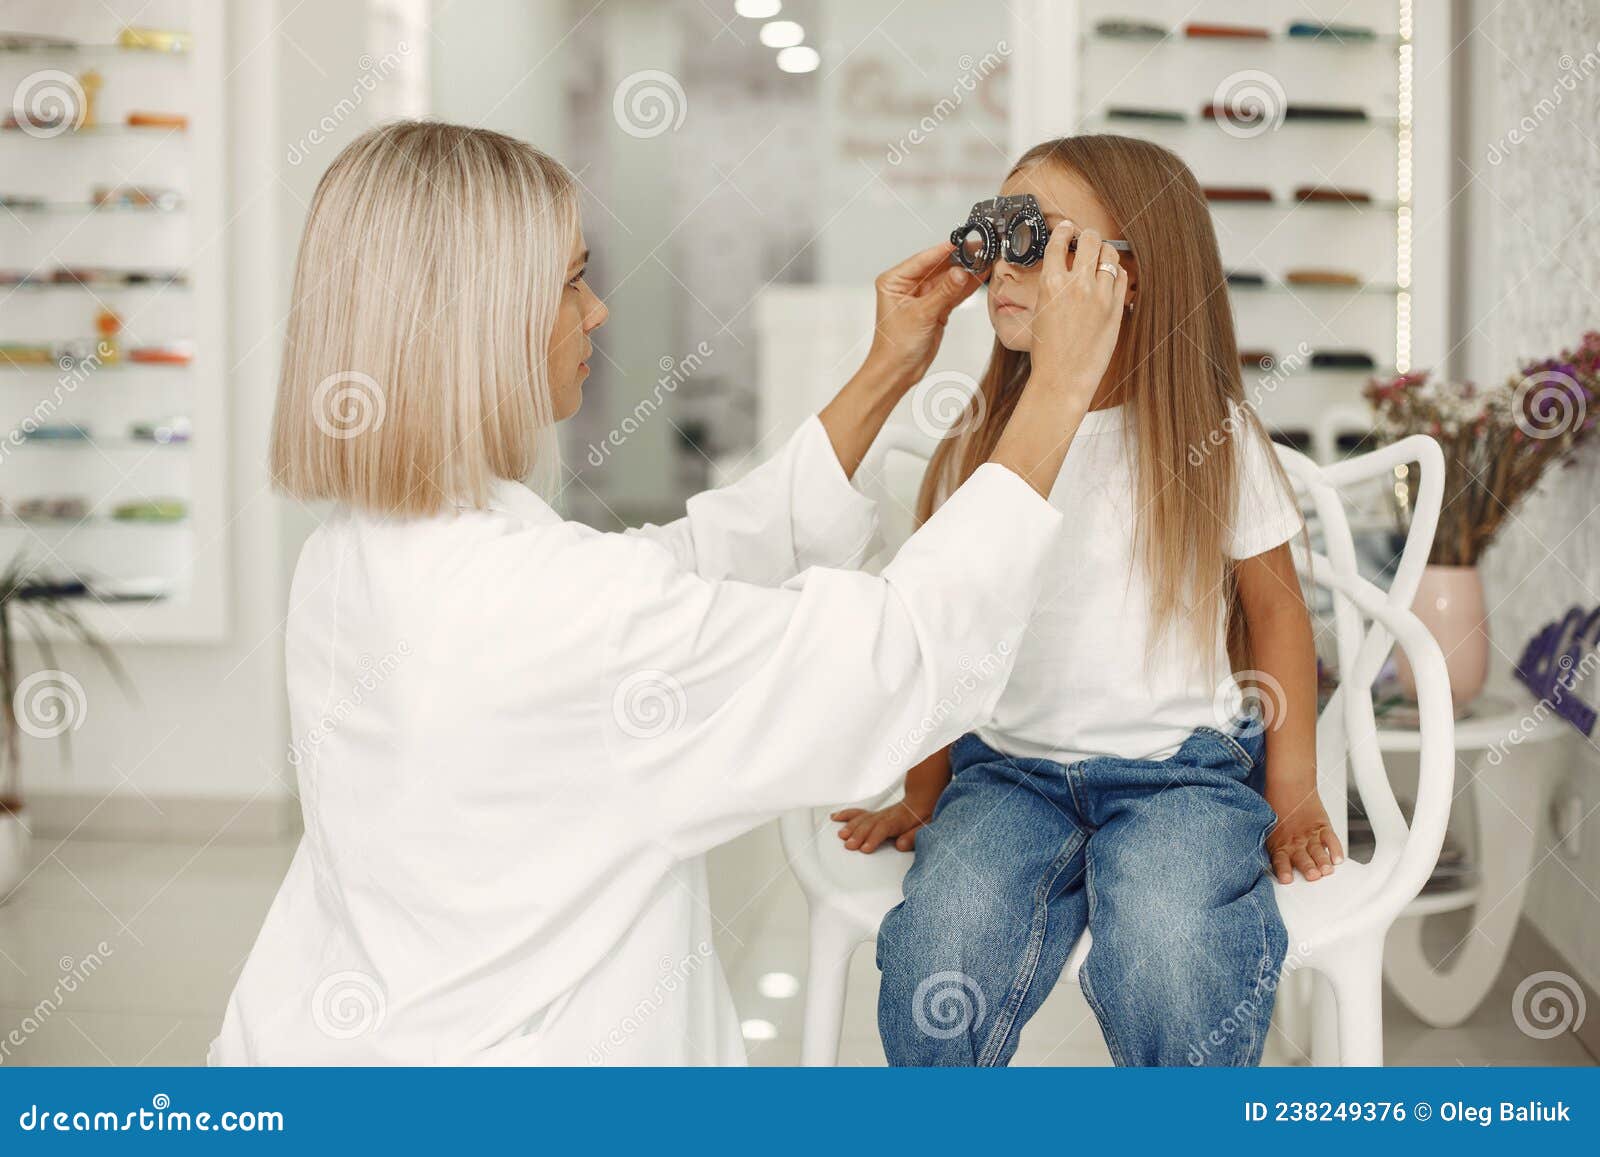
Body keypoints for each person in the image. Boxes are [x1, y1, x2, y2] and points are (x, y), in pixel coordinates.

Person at [208, 121, 1131, 1064]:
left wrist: (890, 366)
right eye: (572, 280)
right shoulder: (557, 614)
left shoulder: (361, 545)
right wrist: (1056, 392)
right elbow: (892, 660)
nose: (599, 311)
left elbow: (683, 565)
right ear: (480, 320)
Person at [834, 135, 1340, 1066]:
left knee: (1174, 952)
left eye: (1040, 239)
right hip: (1010, 771)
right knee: (939, 953)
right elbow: (948, 629)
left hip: (1178, 773)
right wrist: (922, 786)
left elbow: (1277, 615)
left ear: (1134, 277)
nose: (1000, 264)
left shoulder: (1212, 439)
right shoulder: (990, 444)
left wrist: (1294, 792)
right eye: (993, 234)